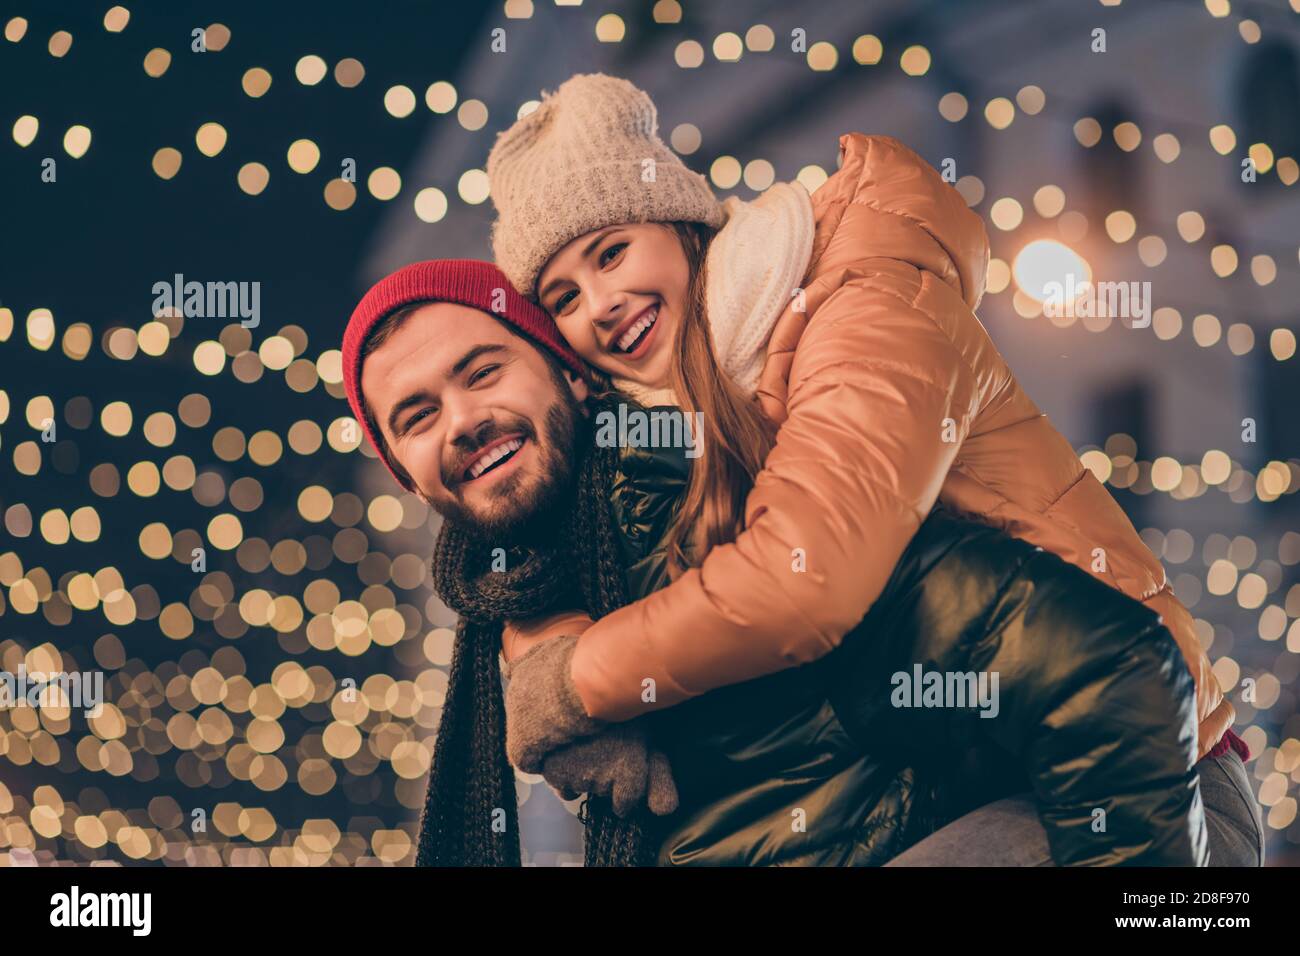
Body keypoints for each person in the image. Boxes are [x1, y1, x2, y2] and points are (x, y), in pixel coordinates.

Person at [341, 261, 1262, 866]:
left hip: (1145, 813)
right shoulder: (530, 607)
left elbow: (1107, 663)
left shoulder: (732, 500)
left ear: (572, 375)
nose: (460, 420)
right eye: (415, 417)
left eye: (484, 371)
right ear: (407, 474)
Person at [481, 73, 1247, 790]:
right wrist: (535, 629)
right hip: (994, 768)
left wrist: (579, 679)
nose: (601, 302)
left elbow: (801, 584)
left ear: (682, 226)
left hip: (1146, 760)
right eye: (566, 298)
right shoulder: (684, 407)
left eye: (611, 253)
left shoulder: (858, 298)